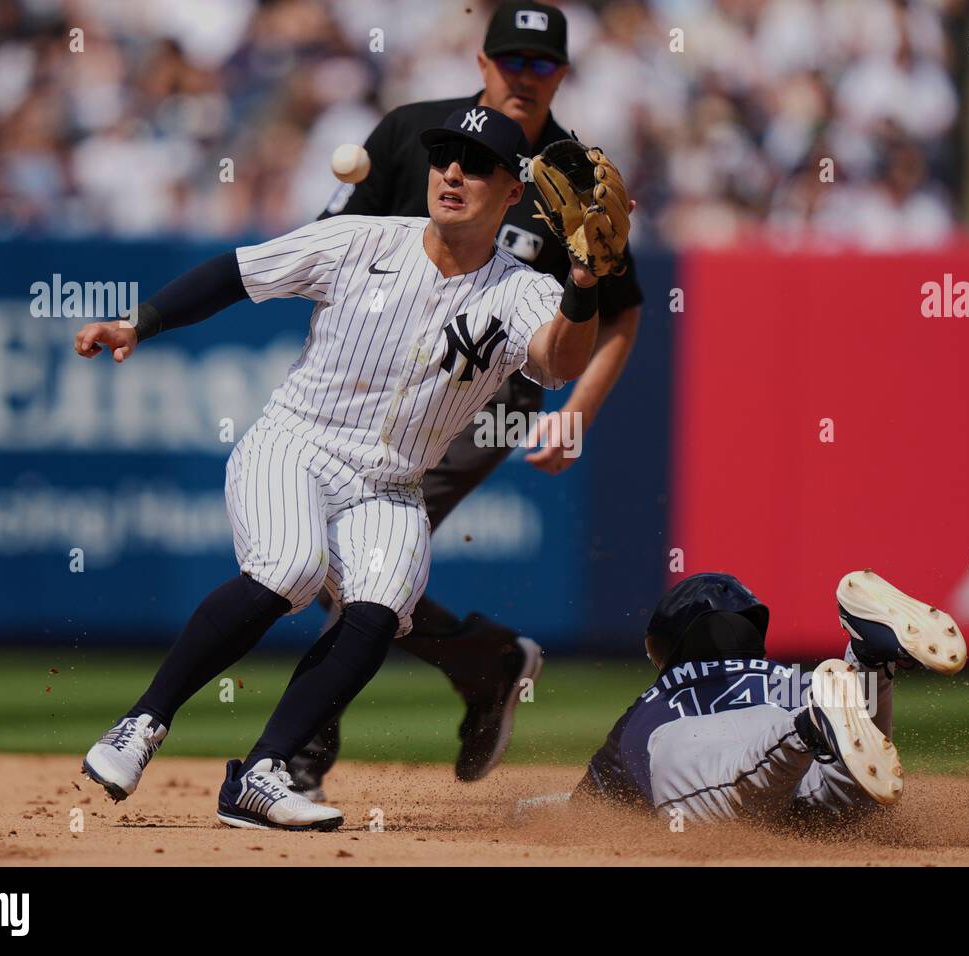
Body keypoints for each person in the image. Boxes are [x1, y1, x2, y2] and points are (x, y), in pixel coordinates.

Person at [75, 105, 630, 830]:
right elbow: (237, 274)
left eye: (474, 164)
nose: (452, 173)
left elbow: (559, 363)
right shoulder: (362, 238)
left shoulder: (522, 289)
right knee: (292, 569)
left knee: (381, 601)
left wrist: (585, 278)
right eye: (443, 158)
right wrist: (139, 323)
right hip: (295, 446)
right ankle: (141, 724)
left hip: (391, 486)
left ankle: (264, 771)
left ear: (514, 192)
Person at [292, 0, 646, 798]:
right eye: (511, 59)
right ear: (482, 62)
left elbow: (621, 312)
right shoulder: (413, 133)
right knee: (323, 558)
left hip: (491, 394)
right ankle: (485, 662)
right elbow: (329, 254)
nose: (525, 75)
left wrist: (574, 410)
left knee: (359, 554)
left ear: (561, 74)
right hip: (375, 387)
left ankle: (299, 757)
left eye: (542, 63)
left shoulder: (575, 177)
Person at [573, 569, 968, 821]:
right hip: (802, 738)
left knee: (720, 807)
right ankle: (868, 661)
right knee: (850, 804)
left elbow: (586, 810)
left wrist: (525, 814)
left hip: (709, 747)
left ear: (670, 645)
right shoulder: (785, 676)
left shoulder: (655, 701)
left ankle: (809, 727)